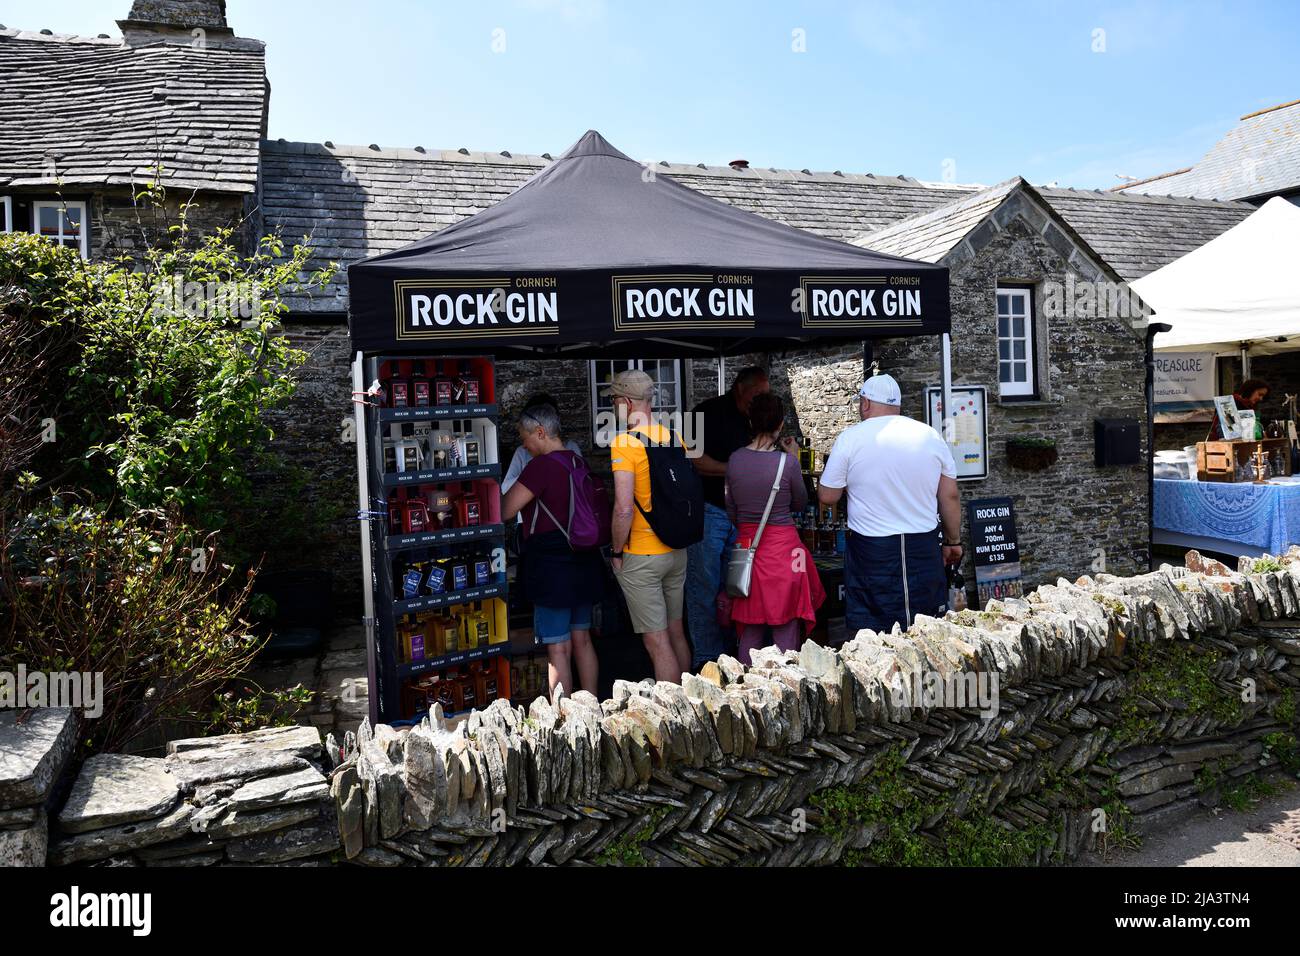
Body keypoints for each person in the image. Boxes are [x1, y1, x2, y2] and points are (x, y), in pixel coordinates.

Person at [818, 373, 962, 634]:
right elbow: (949, 495)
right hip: (923, 544)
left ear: (865, 404)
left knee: (872, 627)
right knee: (925, 624)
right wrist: (954, 541)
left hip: (873, 547)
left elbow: (828, 497)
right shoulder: (930, 435)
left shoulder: (850, 438)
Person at [501, 402, 604, 697]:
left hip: (552, 567)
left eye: (525, 437)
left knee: (558, 646)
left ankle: (565, 717)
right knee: (582, 639)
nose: (523, 444)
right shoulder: (577, 461)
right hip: (584, 560)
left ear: (541, 432)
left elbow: (507, 510)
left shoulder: (541, 467)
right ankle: (592, 706)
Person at [724, 392, 825, 663]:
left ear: (751, 421)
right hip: (786, 554)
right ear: (780, 424)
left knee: (751, 626)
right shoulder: (787, 462)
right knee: (787, 625)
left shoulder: (734, 460)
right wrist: (793, 457)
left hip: (748, 550)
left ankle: (745, 686)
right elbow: (801, 503)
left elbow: (731, 511)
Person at [607, 370, 692, 683]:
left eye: (614, 400)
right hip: (676, 549)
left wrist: (616, 551)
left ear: (627, 403)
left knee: (656, 641)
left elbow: (623, 508)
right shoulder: (674, 436)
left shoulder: (624, 443)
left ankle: (673, 719)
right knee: (676, 632)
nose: (613, 405)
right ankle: (693, 703)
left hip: (642, 554)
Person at [686, 366, 769, 668]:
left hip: (743, 516)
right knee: (703, 589)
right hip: (710, 512)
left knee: (736, 589)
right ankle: (707, 661)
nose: (761, 400)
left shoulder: (758, 418)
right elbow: (693, 459)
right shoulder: (703, 412)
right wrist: (736, 467)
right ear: (739, 389)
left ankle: (731, 657)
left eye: (766, 394)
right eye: (757, 394)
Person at [501, 393, 583, 495]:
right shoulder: (522, 452)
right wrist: (531, 473)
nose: (524, 445)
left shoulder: (570, 448)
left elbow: (579, 485)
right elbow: (505, 488)